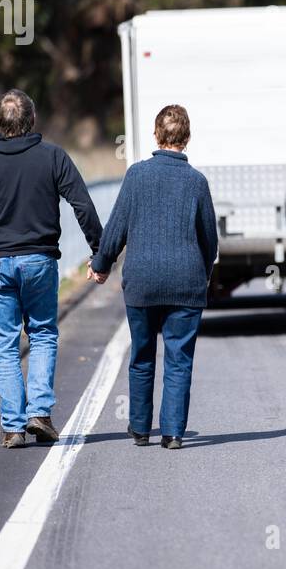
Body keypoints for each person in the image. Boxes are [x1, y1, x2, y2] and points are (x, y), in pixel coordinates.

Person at [0, 90, 103, 448]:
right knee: (42, 335)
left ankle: (13, 427)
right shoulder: (53, 157)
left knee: (4, 345)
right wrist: (100, 251)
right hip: (39, 261)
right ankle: (39, 413)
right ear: (32, 120)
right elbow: (81, 204)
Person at [89, 104, 217, 450]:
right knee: (179, 359)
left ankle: (141, 427)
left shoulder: (136, 176)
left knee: (142, 355)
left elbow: (116, 229)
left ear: (156, 135)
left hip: (142, 282)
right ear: (186, 138)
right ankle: (173, 432)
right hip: (185, 283)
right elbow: (210, 240)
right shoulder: (197, 182)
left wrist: (100, 264)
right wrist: (201, 276)